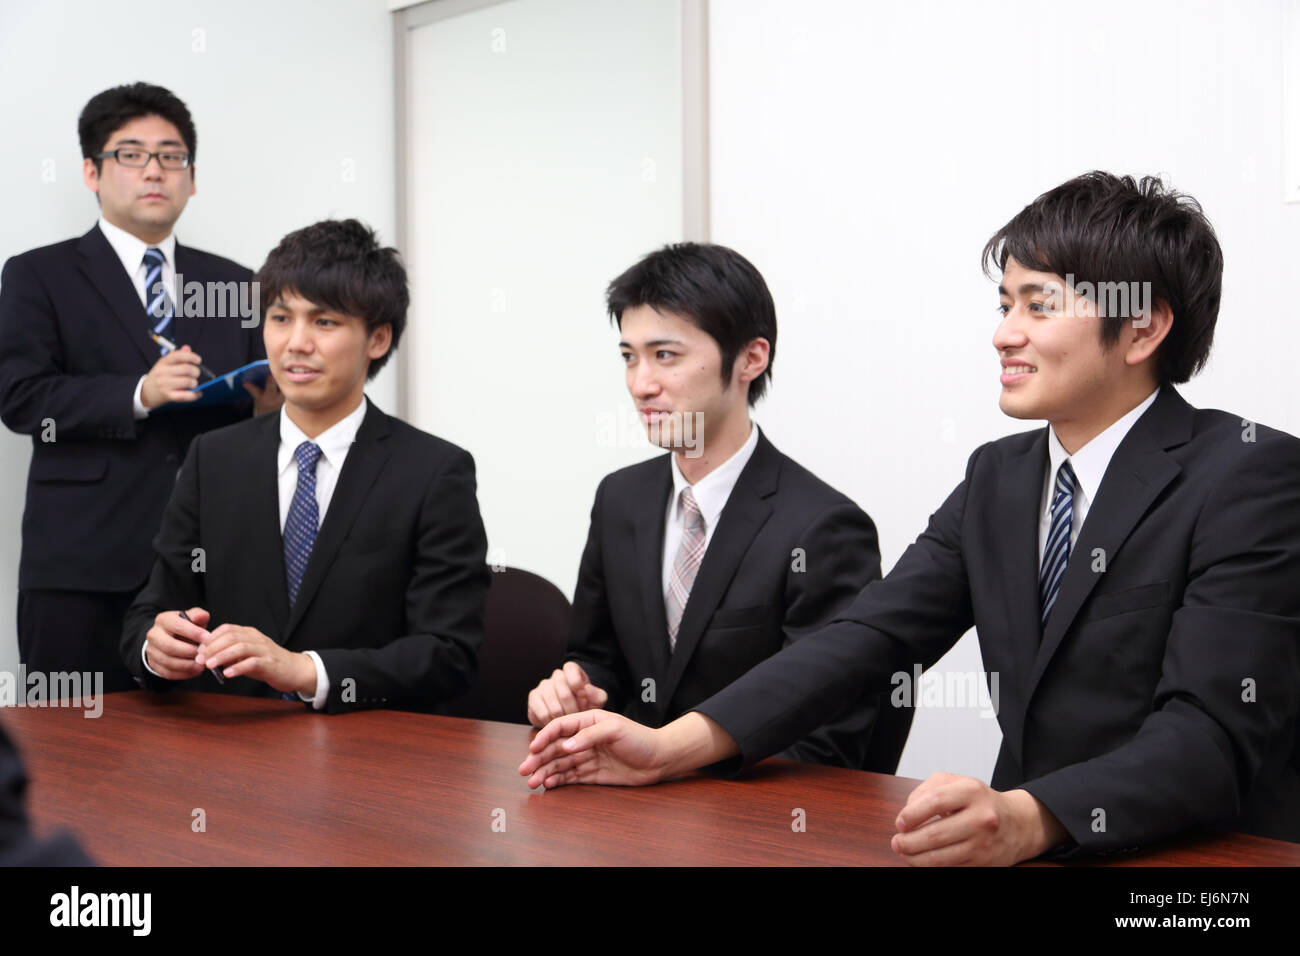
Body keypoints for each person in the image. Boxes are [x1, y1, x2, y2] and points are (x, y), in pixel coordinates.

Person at [521, 172, 1300, 863]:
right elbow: (868, 638)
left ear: (1142, 327)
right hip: (1019, 847)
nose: (1004, 333)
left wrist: (1029, 818)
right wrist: (665, 748)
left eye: (1040, 305)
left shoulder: (1248, 473)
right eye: (1004, 304)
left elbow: (1208, 736)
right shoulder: (1000, 476)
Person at [526, 243, 903, 770]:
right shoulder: (620, 498)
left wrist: (673, 773)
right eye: (628, 357)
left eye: (666, 355)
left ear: (751, 358)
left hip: (749, 820)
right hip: (623, 807)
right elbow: (599, 658)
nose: (641, 384)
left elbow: (825, 738)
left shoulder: (822, 528)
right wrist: (576, 691)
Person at [120, 219, 490, 713]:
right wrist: (154, 646)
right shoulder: (214, 458)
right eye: (280, 318)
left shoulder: (434, 472)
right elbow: (152, 609)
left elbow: (448, 655)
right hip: (227, 750)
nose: (296, 343)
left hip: (367, 758)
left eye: (324, 322)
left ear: (377, 339)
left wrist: (306, 670)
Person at [0, 82, 278, 693]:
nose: (154, 171)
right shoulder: (38, 274)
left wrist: (274, 400)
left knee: (216, 755)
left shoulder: (235, 283)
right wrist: (138, 393)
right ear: (91, 172)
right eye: (131, 154)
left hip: (211, 565)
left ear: (192, 177)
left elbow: (271, 398)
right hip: (81, 563)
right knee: (72, 754)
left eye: (171, 156)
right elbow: (20, 398)